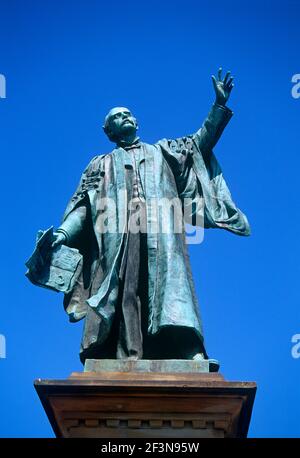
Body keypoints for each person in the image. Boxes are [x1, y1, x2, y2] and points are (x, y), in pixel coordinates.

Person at [52, 68, 250, 364]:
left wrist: (218, 107)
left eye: (128, 113)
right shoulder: (100, 164)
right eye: (118, 117)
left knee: (170, 286)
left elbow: (200, 144)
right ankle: (127, 355)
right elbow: (85, 204)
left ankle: (188, 348)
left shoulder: (163, 152)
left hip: (162, 232)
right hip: (118, 235)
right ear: (109, 132)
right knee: (124, 291)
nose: (126, 117)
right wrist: (63, 234)